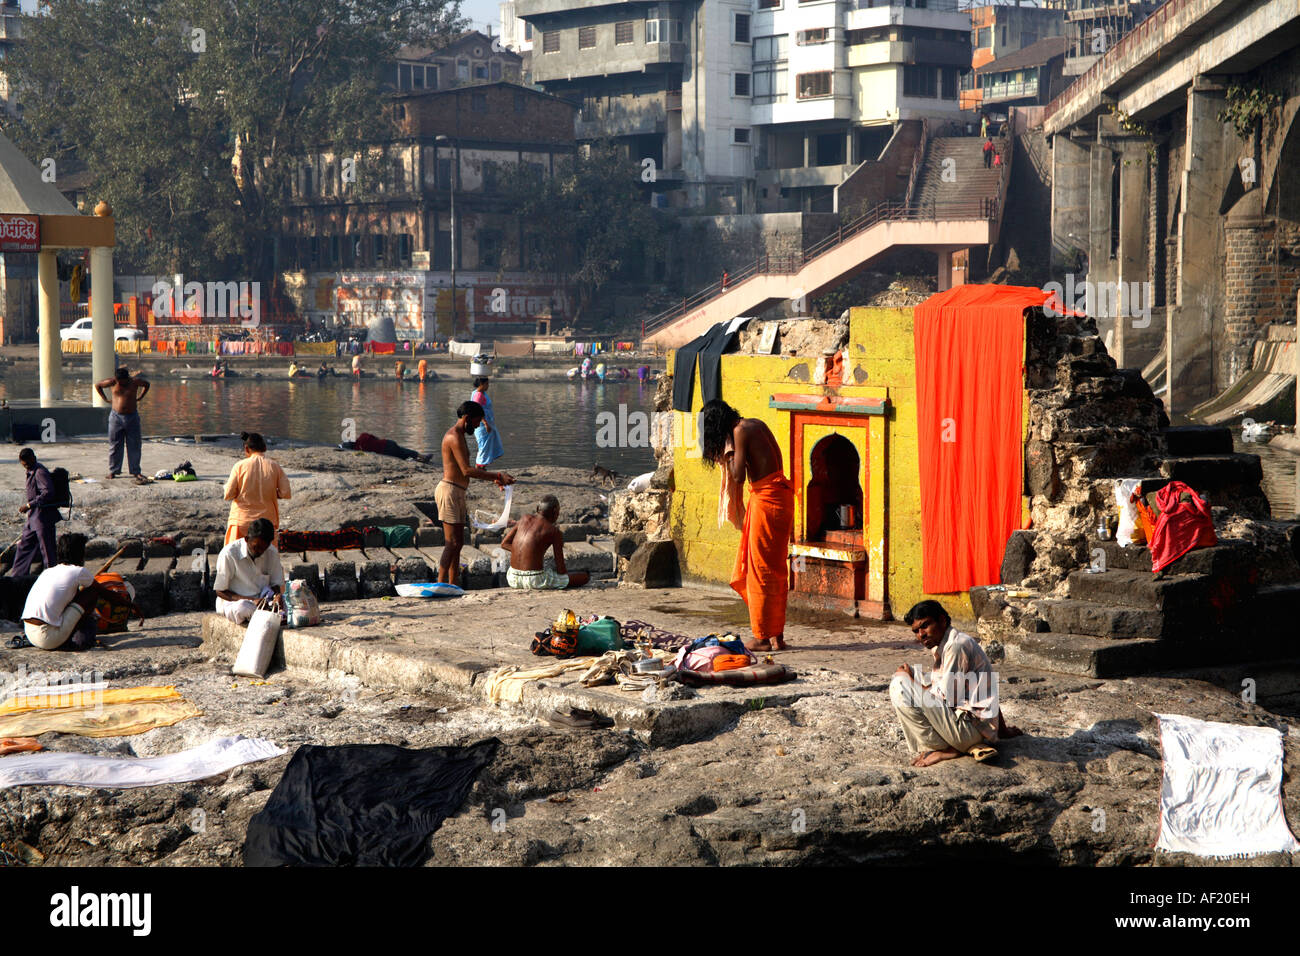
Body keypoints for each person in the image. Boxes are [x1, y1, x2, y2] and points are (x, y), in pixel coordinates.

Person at [700, 399, 795, 652]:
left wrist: (727, 456)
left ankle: (762, 637)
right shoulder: (756, 424)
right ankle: (778, 637)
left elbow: (739, 475)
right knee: (775, 569)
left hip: (767, 501)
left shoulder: (740, 431)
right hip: (780, 499)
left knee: (760, 572)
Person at [889, 600, 1022, 767]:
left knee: (899, 684)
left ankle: (946, 748)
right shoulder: (946, 643)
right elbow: (984, 689)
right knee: (911, 675)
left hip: (970, 732)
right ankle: (954, 744)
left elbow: (946, 700)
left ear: (942, 620)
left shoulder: (956, 646)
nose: (920, 635)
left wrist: (909, 680)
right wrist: (1003, 731)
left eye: (925, 626)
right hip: (974, 728)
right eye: (916, 630)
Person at [436, 401, 514, 586]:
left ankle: (453, 584)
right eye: (477, 421)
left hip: (457, 492)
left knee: (459, 543)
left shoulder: (460, 435)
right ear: (467, 418)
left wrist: (494, 478)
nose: (478, 425)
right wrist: (497, 475)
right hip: (449, 491)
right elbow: (466, 470)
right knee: (451, 543)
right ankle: (439, 584)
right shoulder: (454, 436)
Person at [20, 561, 141, 650]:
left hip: (30, 633)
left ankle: (70, 635)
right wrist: (131, 605)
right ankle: (82, 638)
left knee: (75, 597)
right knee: (91, 593)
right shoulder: (79, 571)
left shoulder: (48, 571)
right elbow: (104, 593)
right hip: (48, 638)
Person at [501, 495, 589, 590]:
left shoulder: (524, 519)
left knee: (547, 570)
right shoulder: (554, 531)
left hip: (512, 577)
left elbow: (504, 544)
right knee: (583, 577)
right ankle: (587, 576)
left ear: (537, 509)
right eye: (558, 511)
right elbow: (561, 570)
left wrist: (526, 554)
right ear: (555, 511)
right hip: (534, 580)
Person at [223, 431, 291, 546]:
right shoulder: (274, 466)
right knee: (266, 560)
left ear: (246, 449)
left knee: (237, 559)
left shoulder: (239, 466)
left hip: (241, 522)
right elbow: (286, 493)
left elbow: (228, 494)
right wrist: (272, 493)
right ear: (264, 448)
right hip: (266, 524)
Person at [213, 518, 284, 624]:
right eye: (256, 547)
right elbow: (220, 591)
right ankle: (268, 618)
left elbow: (275, 584)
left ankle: (269, 616)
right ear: (246, 539)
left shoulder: (271, 553)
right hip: (235, 603)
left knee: (290, 604)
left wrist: (277, 596)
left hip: (263, 601)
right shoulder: (229, 554)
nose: (260, 552)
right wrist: (251, 600)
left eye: (264, 548)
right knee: (243, 608)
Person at [8, 448, 61, 577]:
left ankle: (51, 578)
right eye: (23, 464)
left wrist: (29, 505)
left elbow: (47, 493)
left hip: (43, 518)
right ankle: (17, 577)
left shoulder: (40, 472)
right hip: (33, 518)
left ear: (33, 458)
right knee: (24, 547)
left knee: (47, 551)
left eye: (27, 463)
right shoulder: (30, 471)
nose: (25, 466)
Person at [94, 366, 149, 483]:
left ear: (127, 378)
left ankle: (135, 471)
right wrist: (105, 398)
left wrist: (140, 397)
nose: (121, 383)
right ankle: (113, 471)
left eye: (123, 381)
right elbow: (98, 385)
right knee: (115, 444)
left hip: (132, 416)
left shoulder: (134, 382)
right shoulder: (112, 382)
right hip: (116, 417)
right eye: (119, 381)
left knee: (134, 445)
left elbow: (147, 384)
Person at [470, 377, 504, 466]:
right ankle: (479, 466)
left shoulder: (480, 393)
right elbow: (477, 410)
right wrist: (485, 423)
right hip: (482, 425)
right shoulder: (478, 395)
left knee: (486, 445)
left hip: (486, 423)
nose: (488, 386)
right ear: (481, 384)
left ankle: (482, 465)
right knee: (484, 446)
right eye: (486, 384)